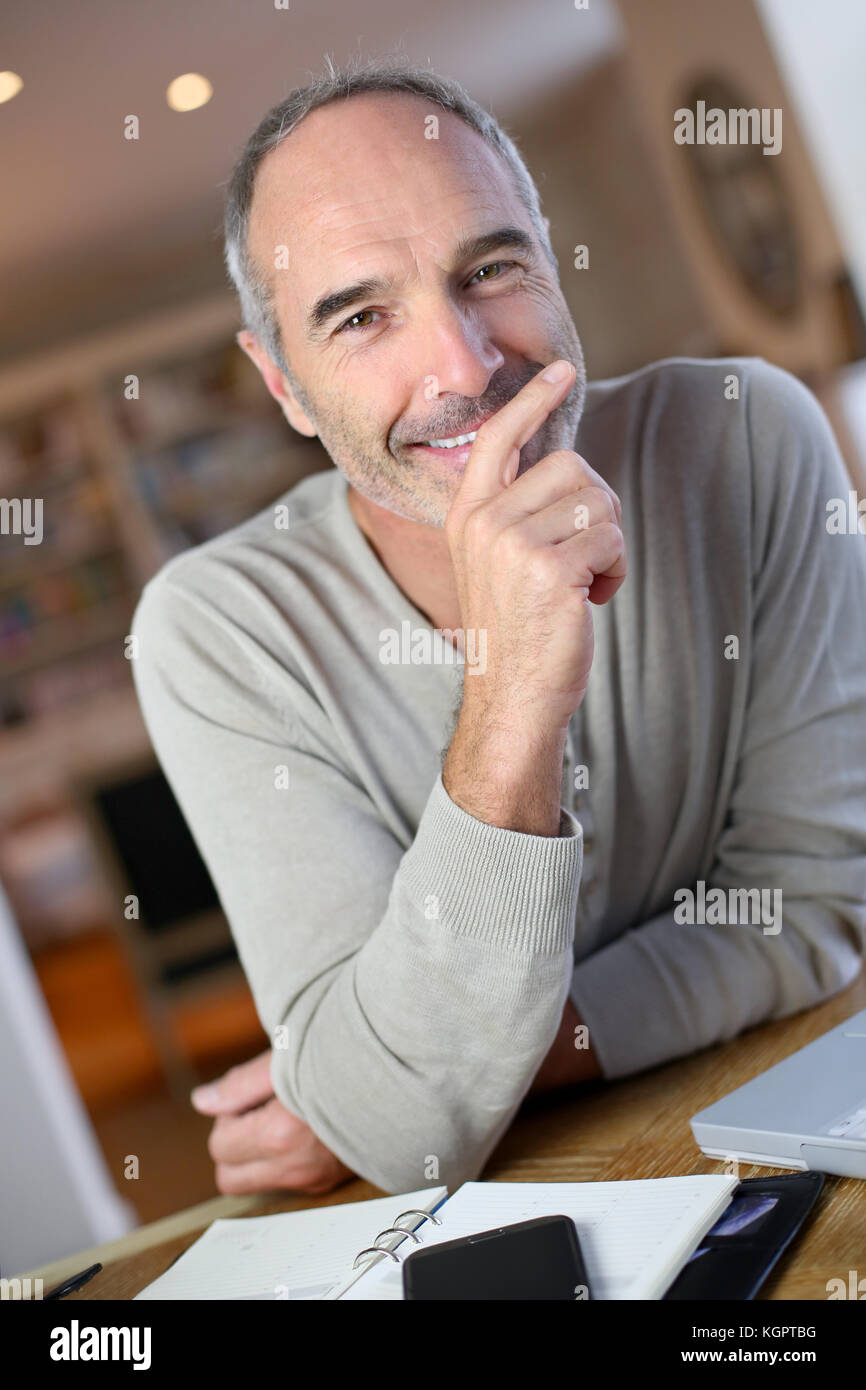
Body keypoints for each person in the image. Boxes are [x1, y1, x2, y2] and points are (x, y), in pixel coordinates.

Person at [131, 58, 866, 1198]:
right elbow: (400, 1125)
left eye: (490, 267)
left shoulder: (749, 438)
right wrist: (513, 696)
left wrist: (432, 1072)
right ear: (281, 382)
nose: (464, 366)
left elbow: (821, 906)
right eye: (361, 314)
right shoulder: (216, 631)